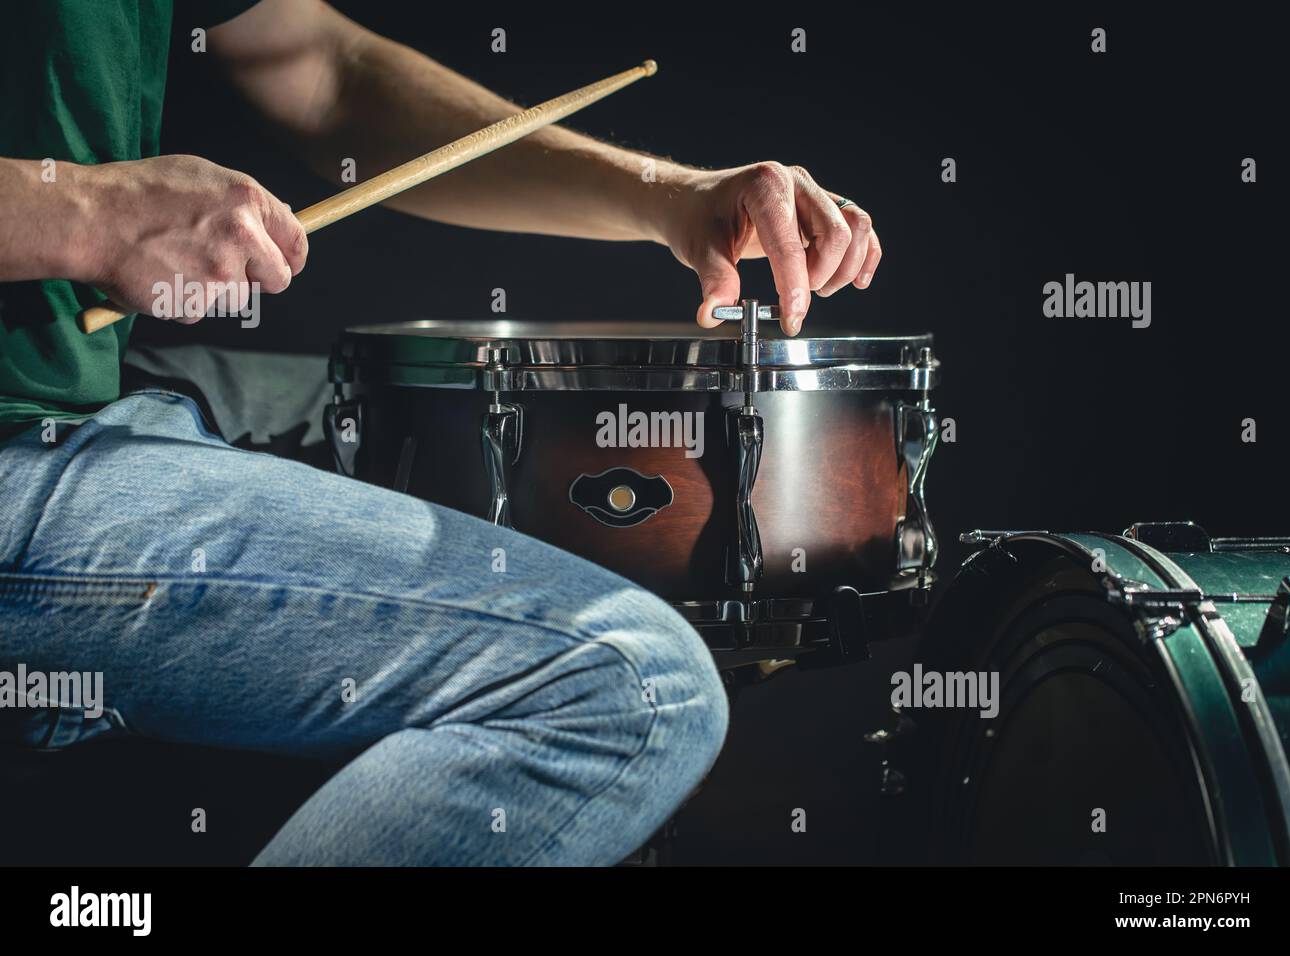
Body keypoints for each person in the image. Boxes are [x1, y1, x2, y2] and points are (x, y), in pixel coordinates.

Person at [0, 0, 881, 865]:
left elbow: (320, 67)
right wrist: (83, 211)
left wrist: (669, 199)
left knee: (423, 438)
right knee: (635, 687)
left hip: (88, 405)